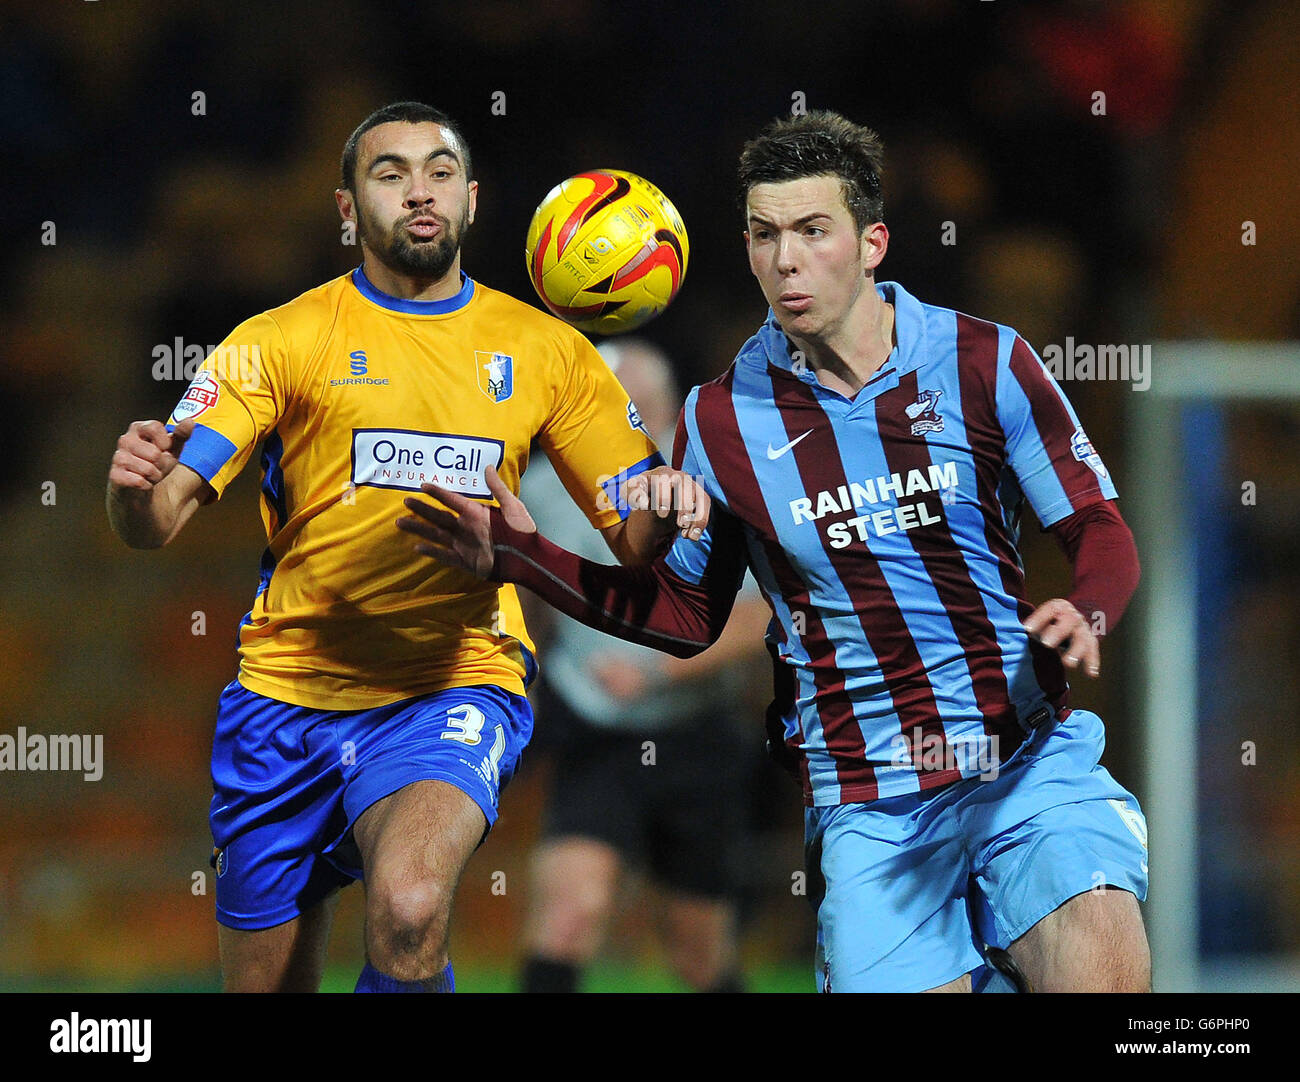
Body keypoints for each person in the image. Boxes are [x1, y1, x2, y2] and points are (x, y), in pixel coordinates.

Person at [398, 111, 1151, 993]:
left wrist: (1087, 607)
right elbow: (684, 616)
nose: (785, 259)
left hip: (1020, 763)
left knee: (1106, 974)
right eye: (764, 235)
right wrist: (526, 557)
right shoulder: (722, 422)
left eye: (811, 231)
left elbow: (1097, 526)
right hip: (867, 805)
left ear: (872, 243)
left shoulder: (985, 361)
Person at [105, 101, 707, 993]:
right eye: (389, 174)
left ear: (470, 199)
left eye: (437, 172)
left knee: (412, 904)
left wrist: (672, 495)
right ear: (348, 211)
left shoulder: (548, 351)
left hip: (454, 681)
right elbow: (157, 521)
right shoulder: (275, 341)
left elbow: (639, 542)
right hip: (284, 700)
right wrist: (129, 489)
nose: (417, 191)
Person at [516, 338, 771, 994]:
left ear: (666, 409)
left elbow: (755, 619)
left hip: (696, 737)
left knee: (698, 951)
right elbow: (527, 599)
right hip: (595, 733)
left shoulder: (715, 489)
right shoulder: (542, 487)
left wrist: (656, 674)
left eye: (633, 405)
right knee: (568, 915)